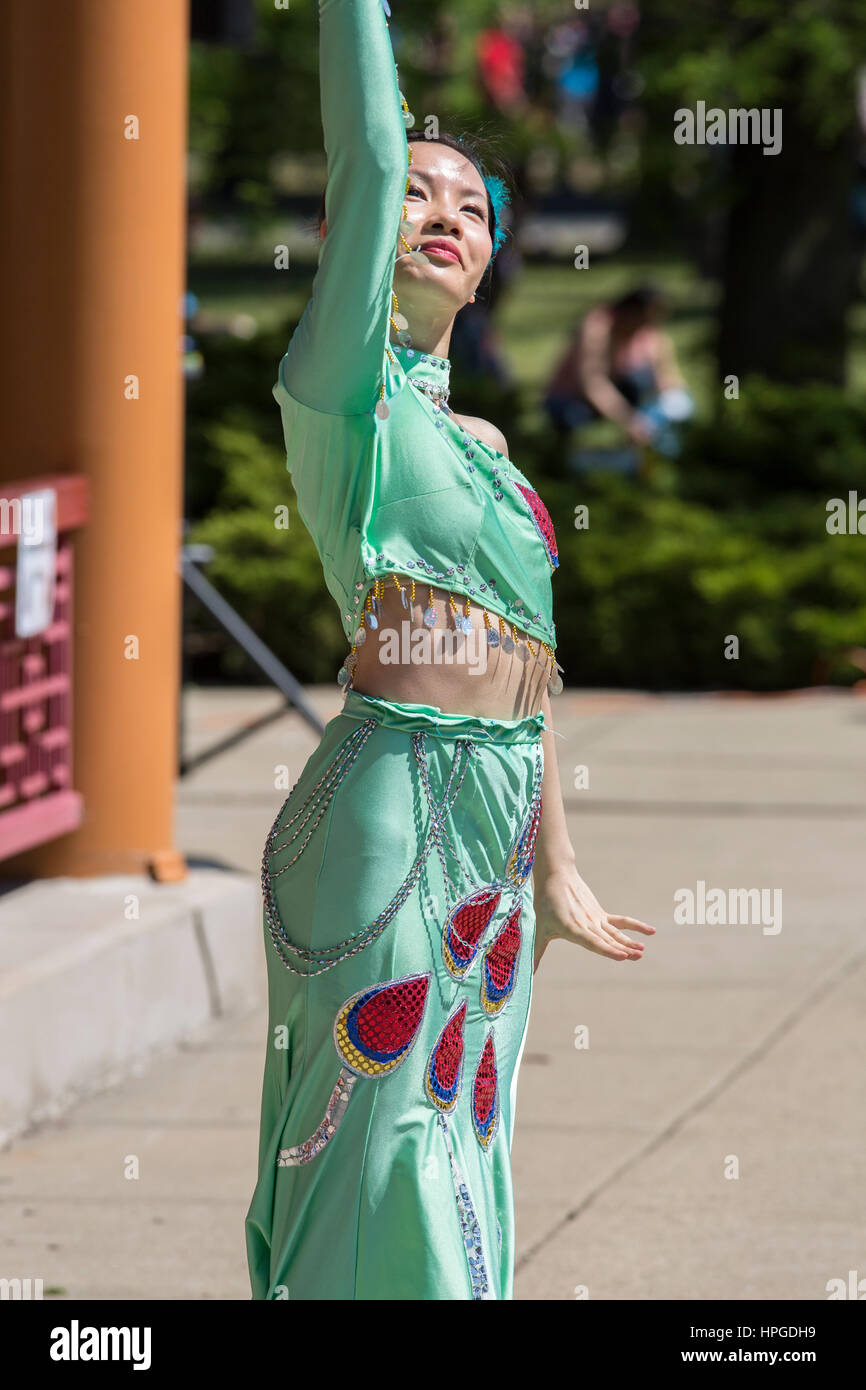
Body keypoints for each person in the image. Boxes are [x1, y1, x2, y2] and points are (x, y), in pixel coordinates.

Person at [245, 0, 654, 1302]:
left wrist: (558, 867)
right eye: (417, 197)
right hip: (386, 799)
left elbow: (529, 672)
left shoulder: (488, 451)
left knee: (460, 1131)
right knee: (377, 1144)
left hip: (493, 830)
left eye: (472, 209)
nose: (443, 214)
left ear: (487, 265)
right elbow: (365, 152)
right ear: (348, 240)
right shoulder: (339, 389)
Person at [543, 286, 694, 457]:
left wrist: (671, 402)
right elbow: (592, 384)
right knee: (572, 418)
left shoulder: (648, 330)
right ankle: (564, 458)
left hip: (616, 396)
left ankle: (650, 453)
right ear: (630, 311)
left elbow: (666, 374)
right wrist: (630, 421)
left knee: (652, 389)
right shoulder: (598, 326)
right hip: (571, 399)